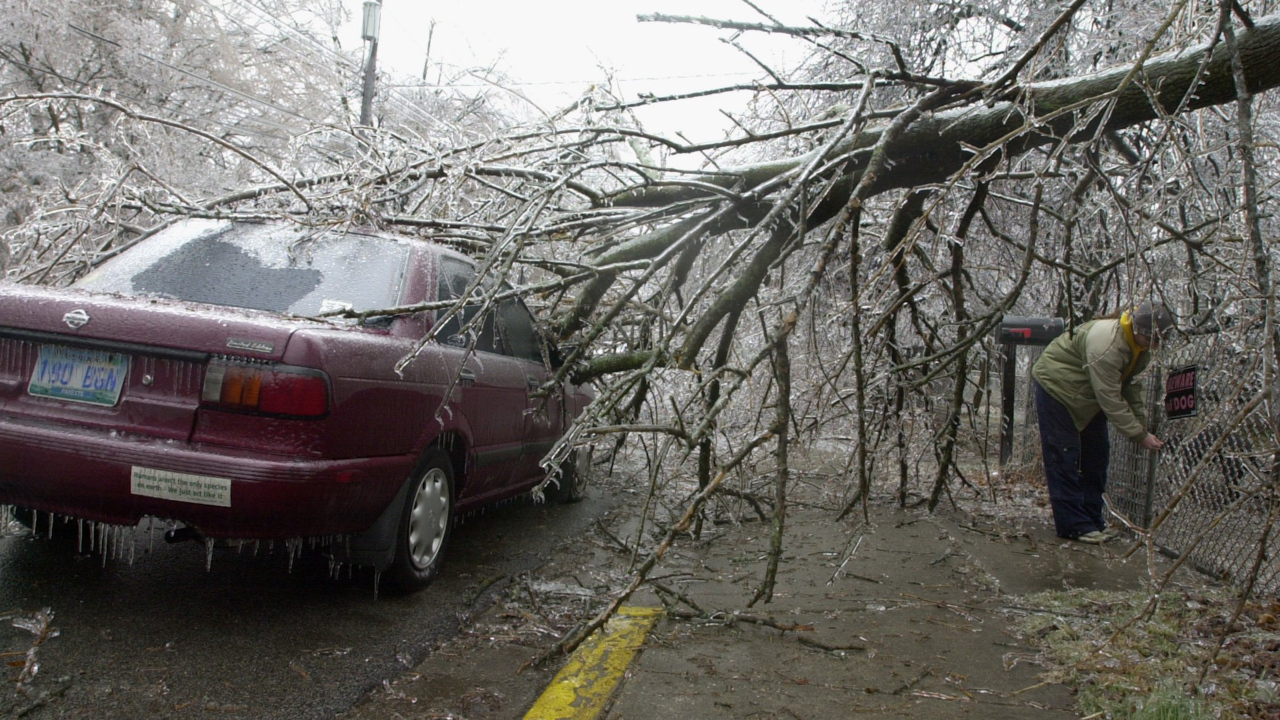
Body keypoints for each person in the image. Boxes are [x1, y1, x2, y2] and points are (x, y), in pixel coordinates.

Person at [1031, 300, 1174, 543]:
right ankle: (1074, 525)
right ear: (1141, 332)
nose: (1157, 345)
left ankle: (1092, 520)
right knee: (1064, 455)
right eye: (1154, 339)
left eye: (1160, 340)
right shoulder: (1106, 344)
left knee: (1096, 456)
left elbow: (1129, 386)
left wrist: (1141, 424)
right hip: (1057, 388)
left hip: (1088, 393)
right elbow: (1110, 397)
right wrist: (1139, 435)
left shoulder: (1139, 347)